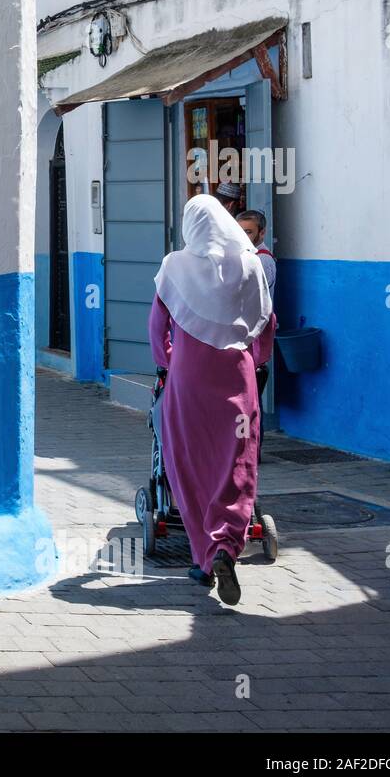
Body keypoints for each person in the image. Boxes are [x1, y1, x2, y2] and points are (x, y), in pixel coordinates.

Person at [148, 194, 275, 606]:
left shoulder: (175, 266)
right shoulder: (249, 264)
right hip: (236, 378)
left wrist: (169, 363)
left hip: (187, 380)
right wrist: (254, 360)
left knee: (188, 461)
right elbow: (266, 324)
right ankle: (226, 545)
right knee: (237, 460)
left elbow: (156, 328)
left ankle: (205, 558)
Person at [236, 209, 276, 298]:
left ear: (262, 233)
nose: (242, 236)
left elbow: (247, 295)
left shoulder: (262, 260)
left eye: (248, 232)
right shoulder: (247, 254)